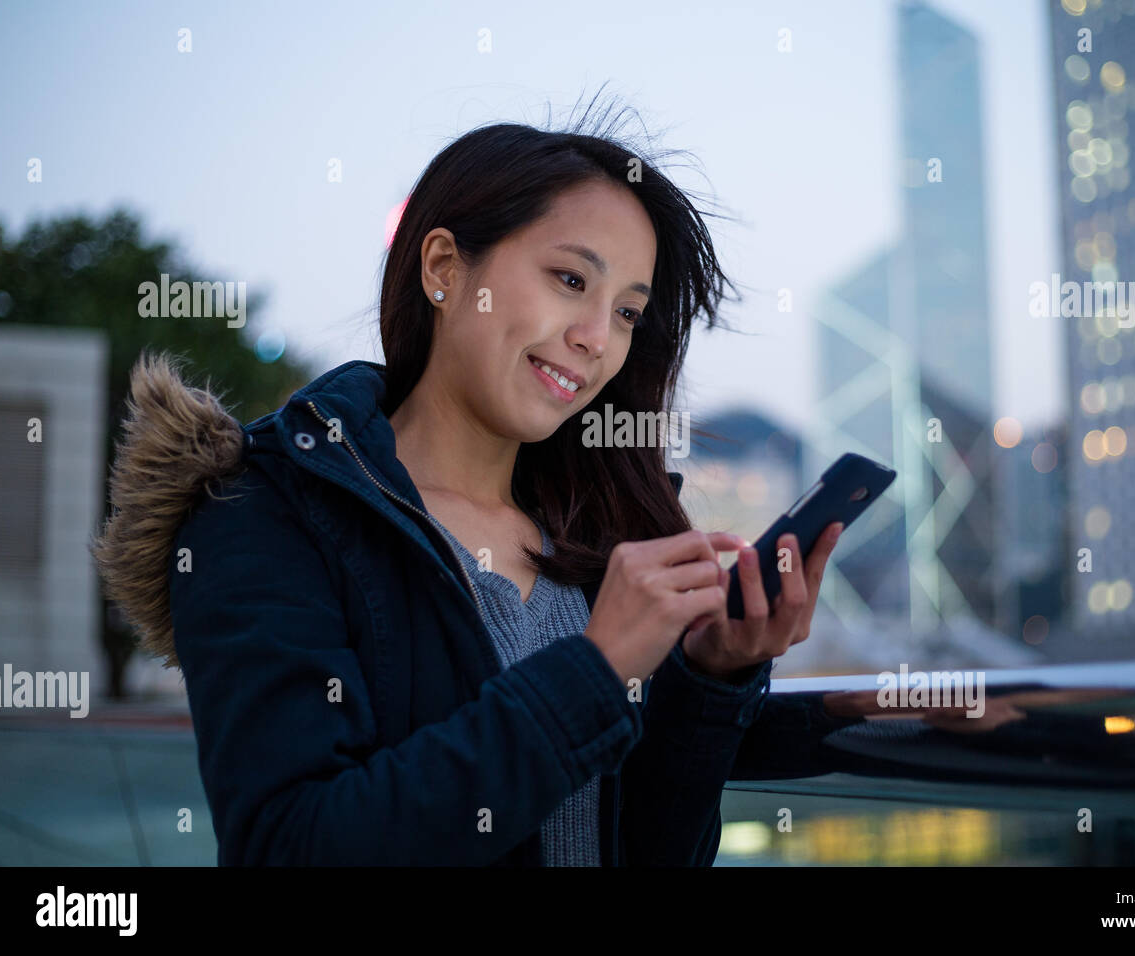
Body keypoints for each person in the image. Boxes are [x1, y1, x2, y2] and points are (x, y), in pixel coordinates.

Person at [92, 98, 858, 866]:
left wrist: (714, 677)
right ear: (444, 270)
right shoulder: (267, 511)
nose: (596, 338)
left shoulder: (605, 538)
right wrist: (593, 671)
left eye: (628, 312)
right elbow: (292, 845)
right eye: (568, 279)